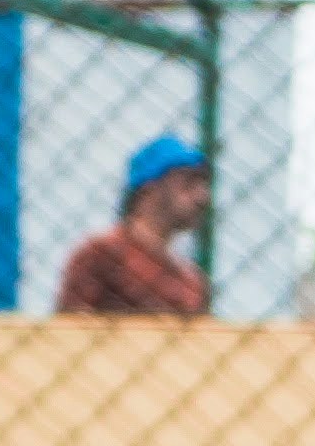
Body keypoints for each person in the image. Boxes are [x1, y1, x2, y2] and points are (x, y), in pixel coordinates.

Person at [60, 134, 213, 316]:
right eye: (188, 183)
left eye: (204, 185)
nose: (202, 197)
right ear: (150, 186)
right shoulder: (102, 255)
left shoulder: (192, 284)